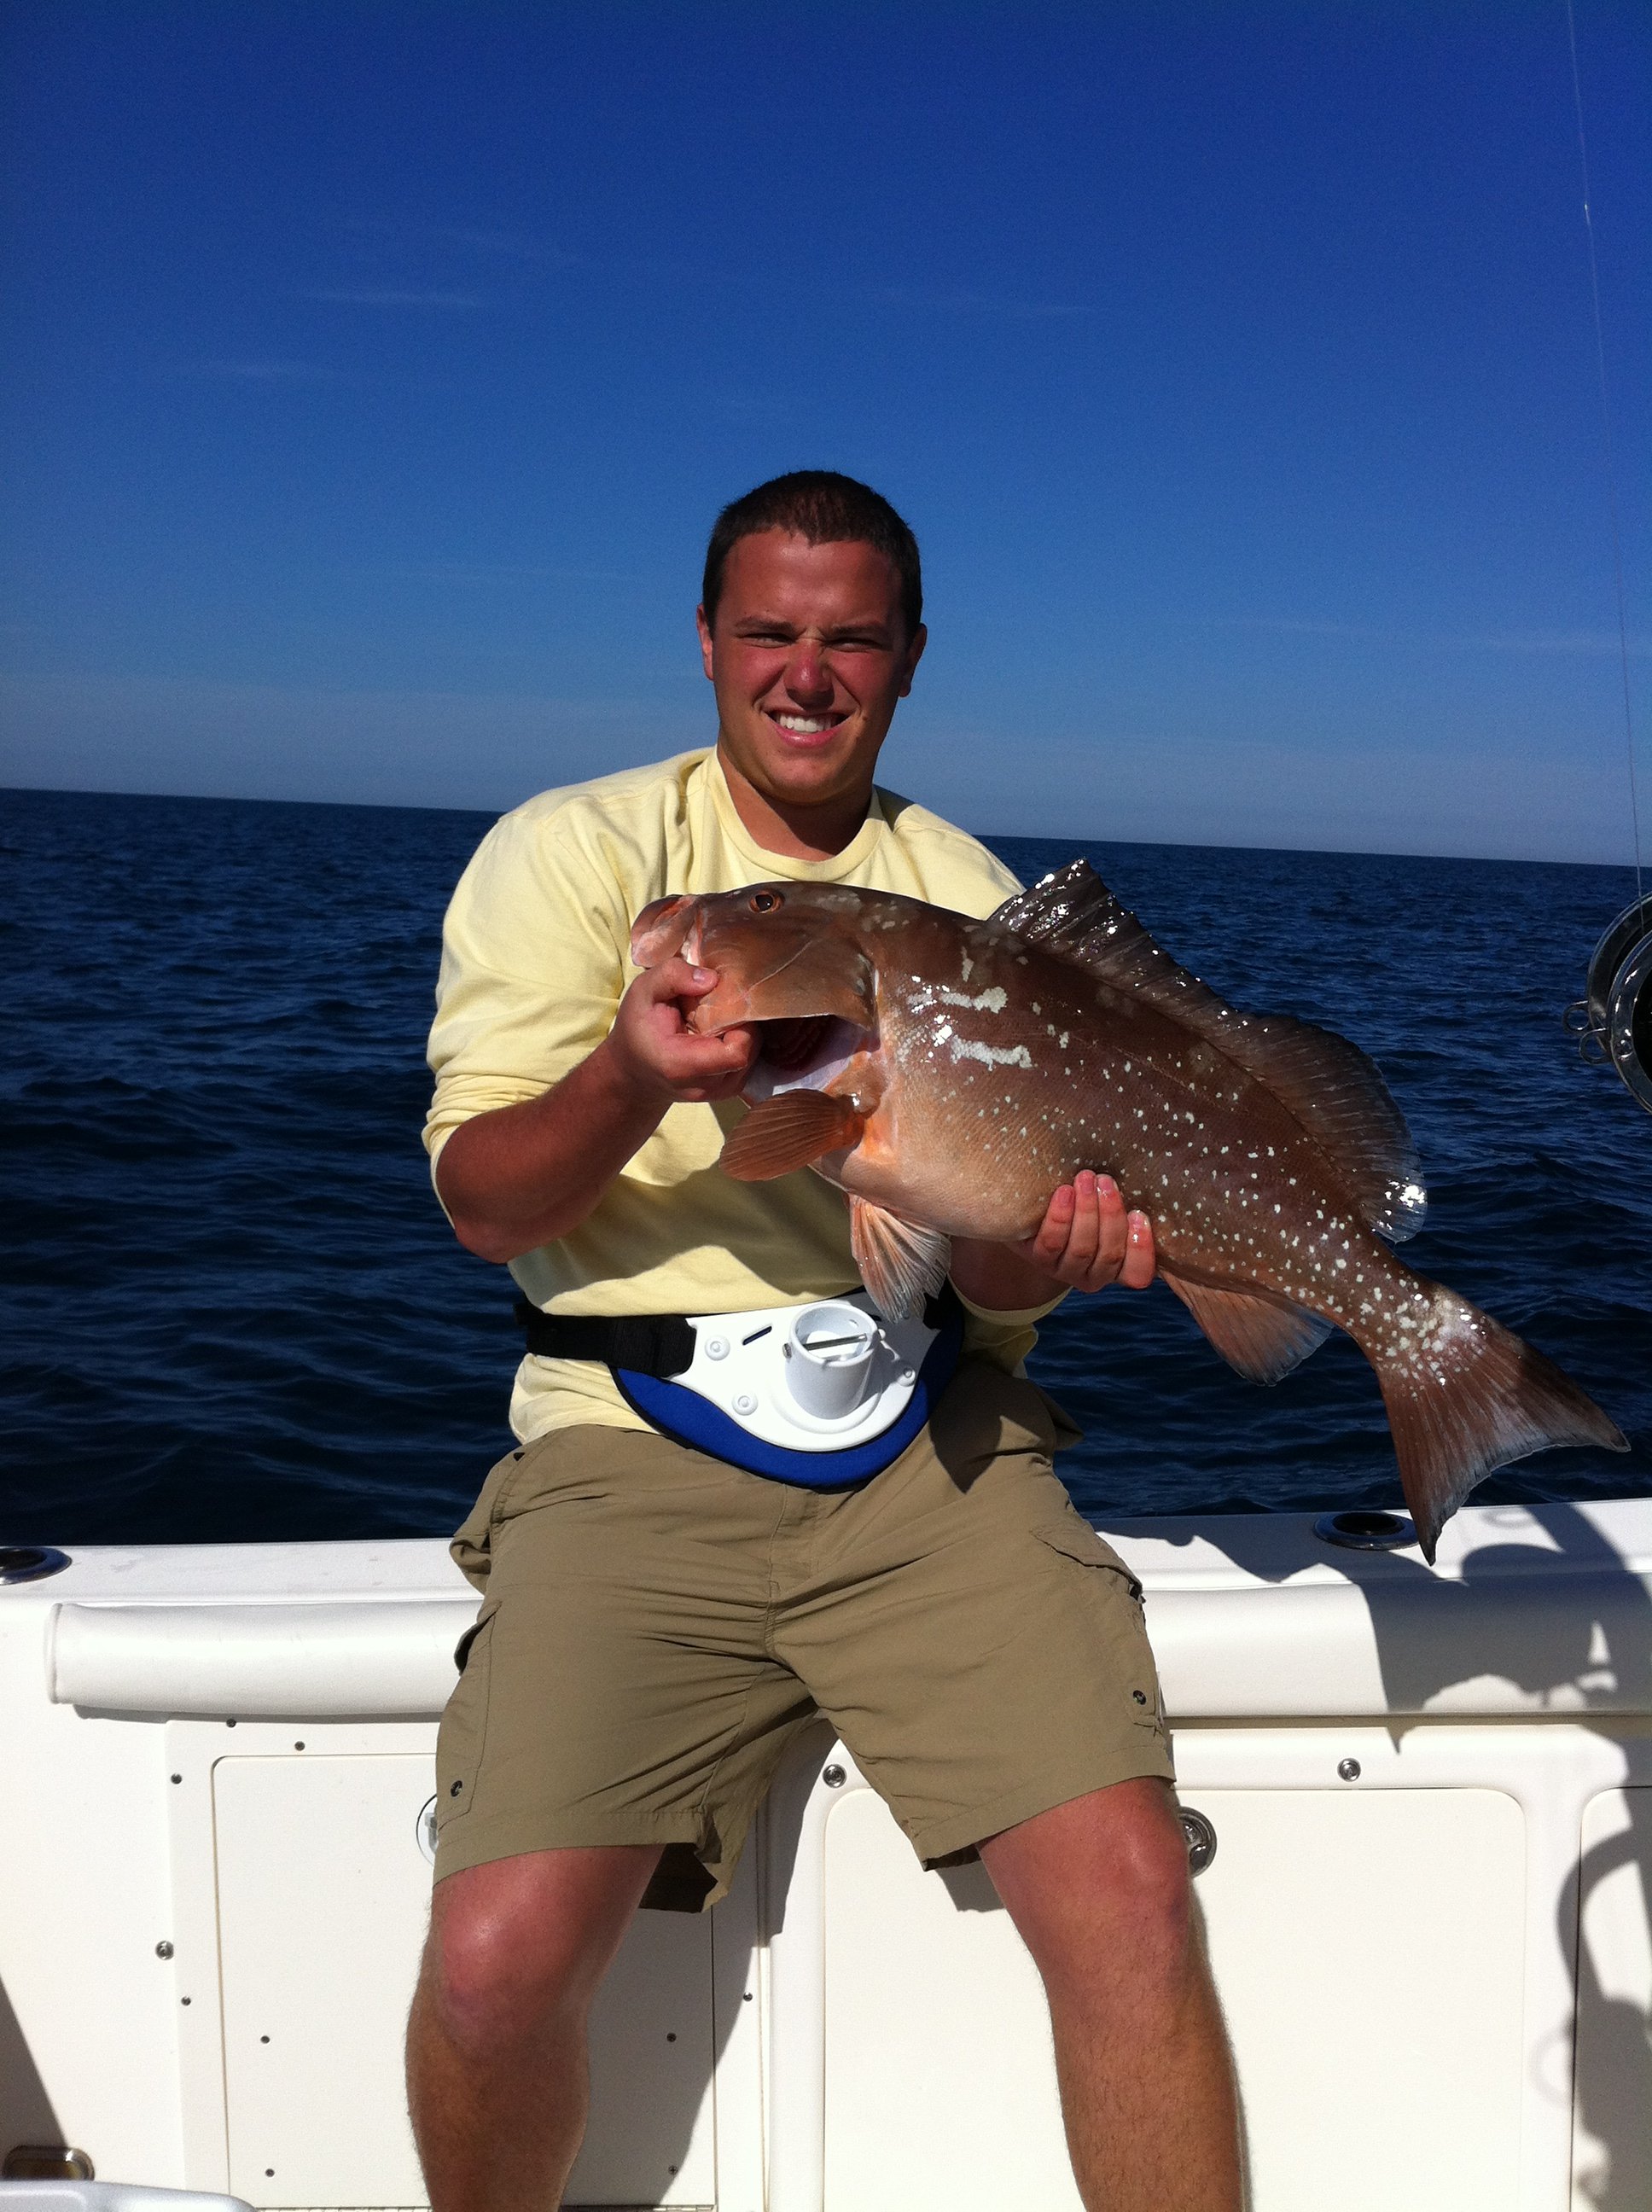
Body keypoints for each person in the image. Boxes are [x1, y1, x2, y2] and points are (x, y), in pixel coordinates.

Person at [406, 471, 1242, 2210]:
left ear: (908, 658)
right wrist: (635, 1071)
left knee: (1131, 1896)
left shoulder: (960, 890)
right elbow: (485, 1205)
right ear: (707, 643)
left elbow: (987, 1284)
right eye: (770, 633)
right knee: (491, 1965)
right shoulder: (578, 857)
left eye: (849, 637)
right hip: (626, 1452)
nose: (807, 671)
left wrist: (1046, 1255)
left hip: (930, 1456)